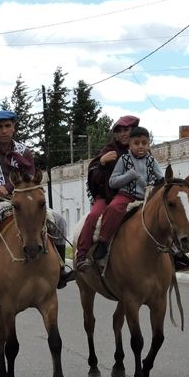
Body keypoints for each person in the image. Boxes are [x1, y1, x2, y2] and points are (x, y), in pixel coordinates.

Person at [0, 109, 75, 294]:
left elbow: (29, 176)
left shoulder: (24, 152)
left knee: (58, 220)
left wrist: (8, 187)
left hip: (23, 201)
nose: (4, 131)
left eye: (7, 126)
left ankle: (61, 270)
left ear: (13, 128)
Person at [74, 115, 139, 271]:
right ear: (115, 135)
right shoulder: (109, 151)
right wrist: (102, 164)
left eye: (127, 130)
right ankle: (81, 255)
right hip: (108, 197)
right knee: (93, 216)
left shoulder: (140, 149)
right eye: (120, 131)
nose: (124, 134)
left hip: (136, 194)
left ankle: (174, 253)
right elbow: (94, 178)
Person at [92, 126, 166, 258]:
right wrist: (129, 175)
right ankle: (103, 241)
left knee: (165, 212)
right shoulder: (124, 160)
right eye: (136, 143)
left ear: (149, 144)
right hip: (126, 195)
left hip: (146, 197)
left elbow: (161, 178)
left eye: (144, 143)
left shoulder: (151, 161)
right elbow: (112, 182)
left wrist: (157, 183)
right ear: (130, 145)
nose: (141, 146)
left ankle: (173, 249)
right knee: (113, 208)